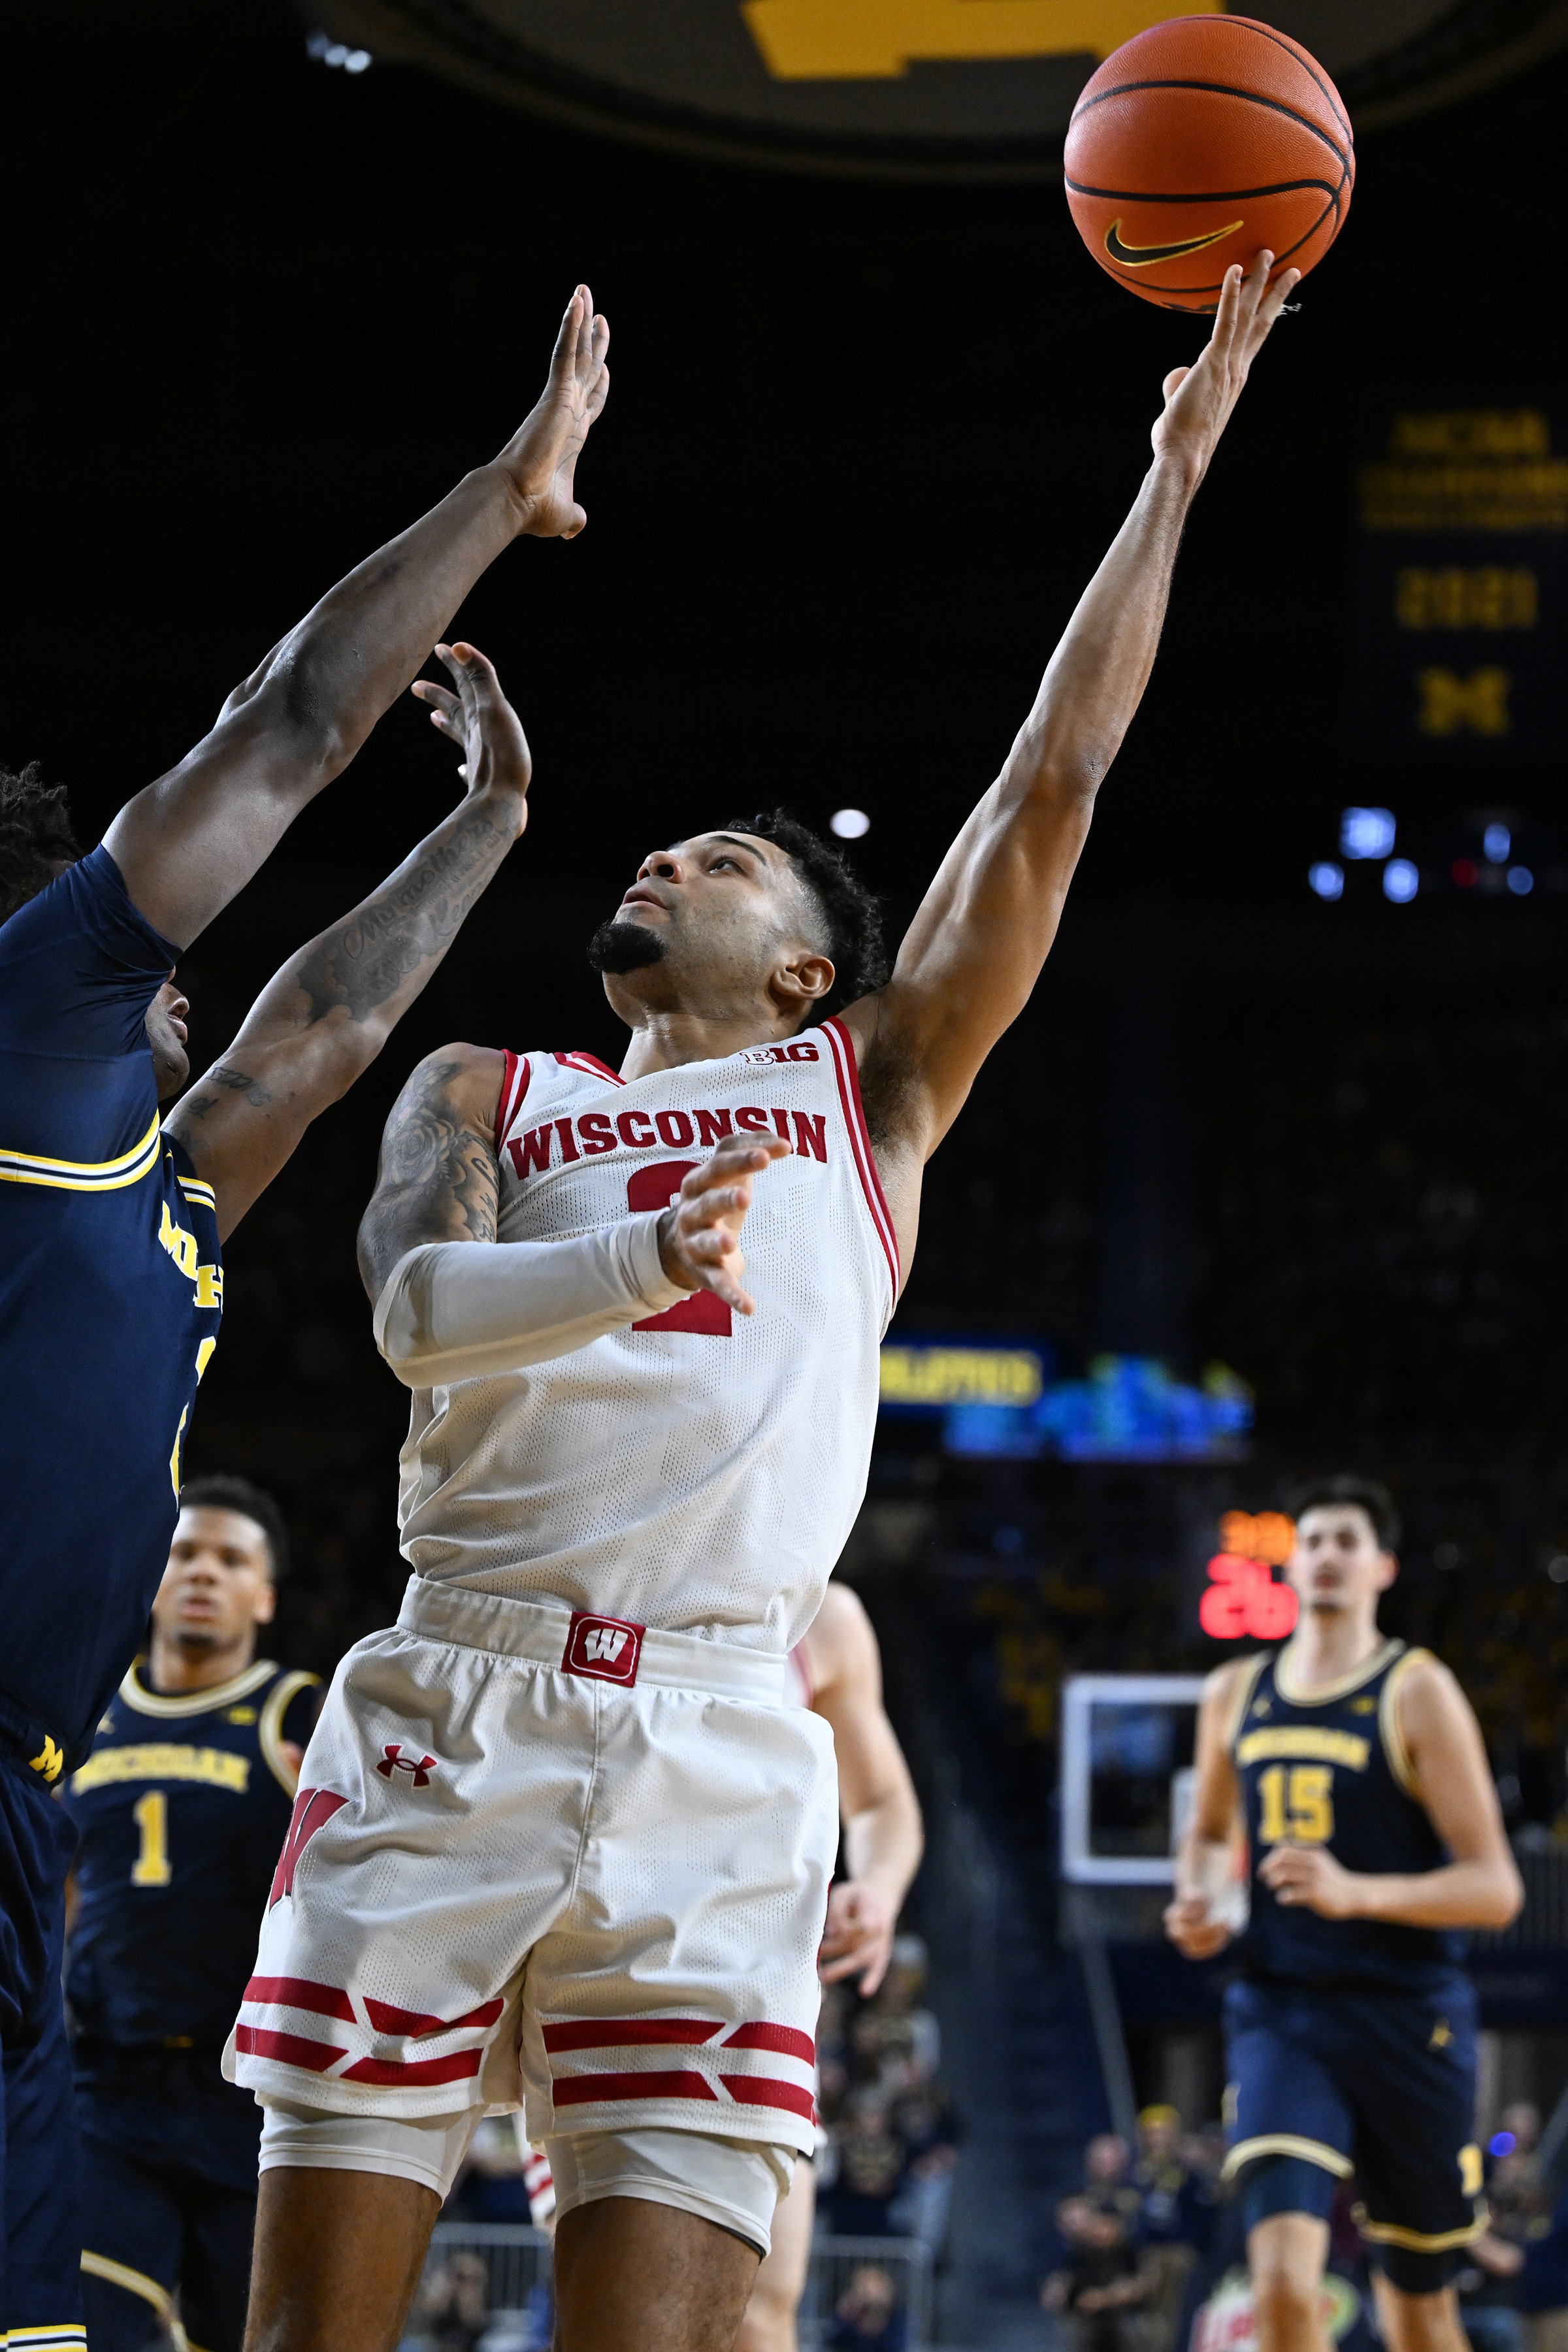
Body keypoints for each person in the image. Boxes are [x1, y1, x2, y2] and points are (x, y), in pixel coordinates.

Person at [232, 252, 1301, 2352]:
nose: (664, 862)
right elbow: (412, 1314)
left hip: (727, 1735)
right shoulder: (484, 1090)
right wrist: (637, 1255)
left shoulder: (865, 1094)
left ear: (810, 970)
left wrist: (1172, 472)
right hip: (453, 1699)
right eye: (656, 851)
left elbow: (1048, 786)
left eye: (719, 858)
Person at [0, 285, 606, 2342]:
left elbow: (325, 1028)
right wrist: (497, 498)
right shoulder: (26, 1021)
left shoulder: (151, 1181)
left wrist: (490, 824)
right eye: (161, 962)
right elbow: (283, 730)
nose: (193, 988)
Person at [1165, 1475, 1524, 2352]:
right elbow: (1211, 1832)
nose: (1326, 1555)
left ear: (1382, 1568)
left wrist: (1358, 1892)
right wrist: (1205, 1896)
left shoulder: (1416, 1690)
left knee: (1420, 2317)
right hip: (1284, 2010)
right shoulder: (1235, 1691)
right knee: (1285, 2291)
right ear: (1293, 1562)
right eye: (1313, 1540)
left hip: (1407, 2014)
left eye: (1346, 1542)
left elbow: (1496, 1888)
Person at [61, 1477, 319, 2352]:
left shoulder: (305, 1715)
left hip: (247, 2100)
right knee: (100, 2334)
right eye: (185, 1553)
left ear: (265, 1595)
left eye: (231, 1559)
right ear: (151, 1574)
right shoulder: (86, 1714)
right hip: (109, 2092)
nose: (204, 1571)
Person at [738, 1580, 924, 2352]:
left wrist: (877, 1890)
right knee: (619, 2315)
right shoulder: (611, 1562)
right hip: (595, 1983)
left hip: (758, 1993)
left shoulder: (825, 1617)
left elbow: (882, 1803)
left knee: (759, 2311)